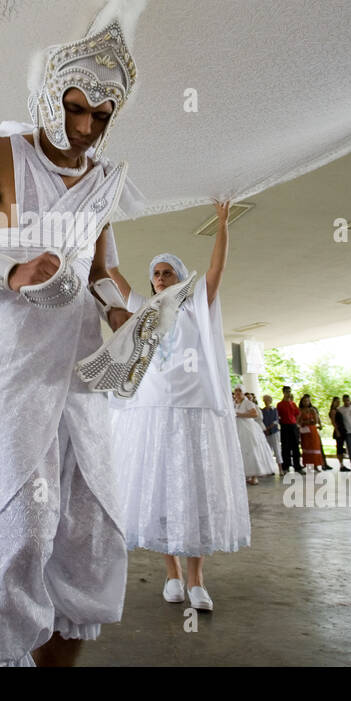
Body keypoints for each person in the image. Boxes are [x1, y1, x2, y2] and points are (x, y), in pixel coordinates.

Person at [0, 0, 148, 666]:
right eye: (76, 108)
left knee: (83, 531)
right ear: (50, 96)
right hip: (7, 362)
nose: (85, 128)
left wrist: (135, 318)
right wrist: (9, 273)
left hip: (77, 366)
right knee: (19, 524)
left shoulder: (109, 179)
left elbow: (107, 272)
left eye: (101, 117)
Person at [110, 211, 252, 613]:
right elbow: (113, 273)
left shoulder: (196, 307)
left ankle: (196, 580)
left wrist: (222, 223)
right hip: (153, 412)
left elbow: (216, 267)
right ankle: (171, 573)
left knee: (193, 492)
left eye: (168, 271)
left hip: (193, 411)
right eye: (155, 272)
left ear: (180, 276)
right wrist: (103, 224)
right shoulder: (144, 309)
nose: (160, 277)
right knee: (160, 491)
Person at [234, 388, 278, 484]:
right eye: (236, 391)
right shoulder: (235, 403)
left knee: (252, 449)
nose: (237, 393)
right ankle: (246, 474)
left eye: (239, 391)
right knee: (242, 450)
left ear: (243, 393)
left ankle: (254, 476)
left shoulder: (248, 403)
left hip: (248, 428)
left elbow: (254, 414)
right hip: (238, 428)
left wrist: (239, 414)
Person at [298, 394, 329, 471]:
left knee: (314, 447)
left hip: (312, 431)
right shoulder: (300, 410)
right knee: (306, 448)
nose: (306, 402)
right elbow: (298, 421)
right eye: (304, 401)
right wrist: (305, 422)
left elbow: (315, 421)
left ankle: (316, 465)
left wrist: (306, 422)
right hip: (304, 432)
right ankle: (308, 465)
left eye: (307, 401)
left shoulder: (312, 410)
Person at [277, 386, 303, 473]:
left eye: (289, 391)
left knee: (296, 447)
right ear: (283, 392)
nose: (288, 393)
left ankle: (297, 467)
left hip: (293, 426)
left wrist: (297, 422)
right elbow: (278, 416)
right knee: (285, 447)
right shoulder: (280, 404)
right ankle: (286, 467)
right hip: (284, 426)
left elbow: (298, 413)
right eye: (287, 392)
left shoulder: (293, 404)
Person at [261, 395, 282, 462]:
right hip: (266, 433)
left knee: (277, 449)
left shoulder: (274, 409)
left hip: (274, 431)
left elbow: (276, 421)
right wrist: (265, 429)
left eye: (267, 400)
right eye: (264, 400)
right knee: (268, 450)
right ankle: (270, 467)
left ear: (270, 401)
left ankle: (280, 468)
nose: (266, 402)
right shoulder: (262, 411)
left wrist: (269, 428)